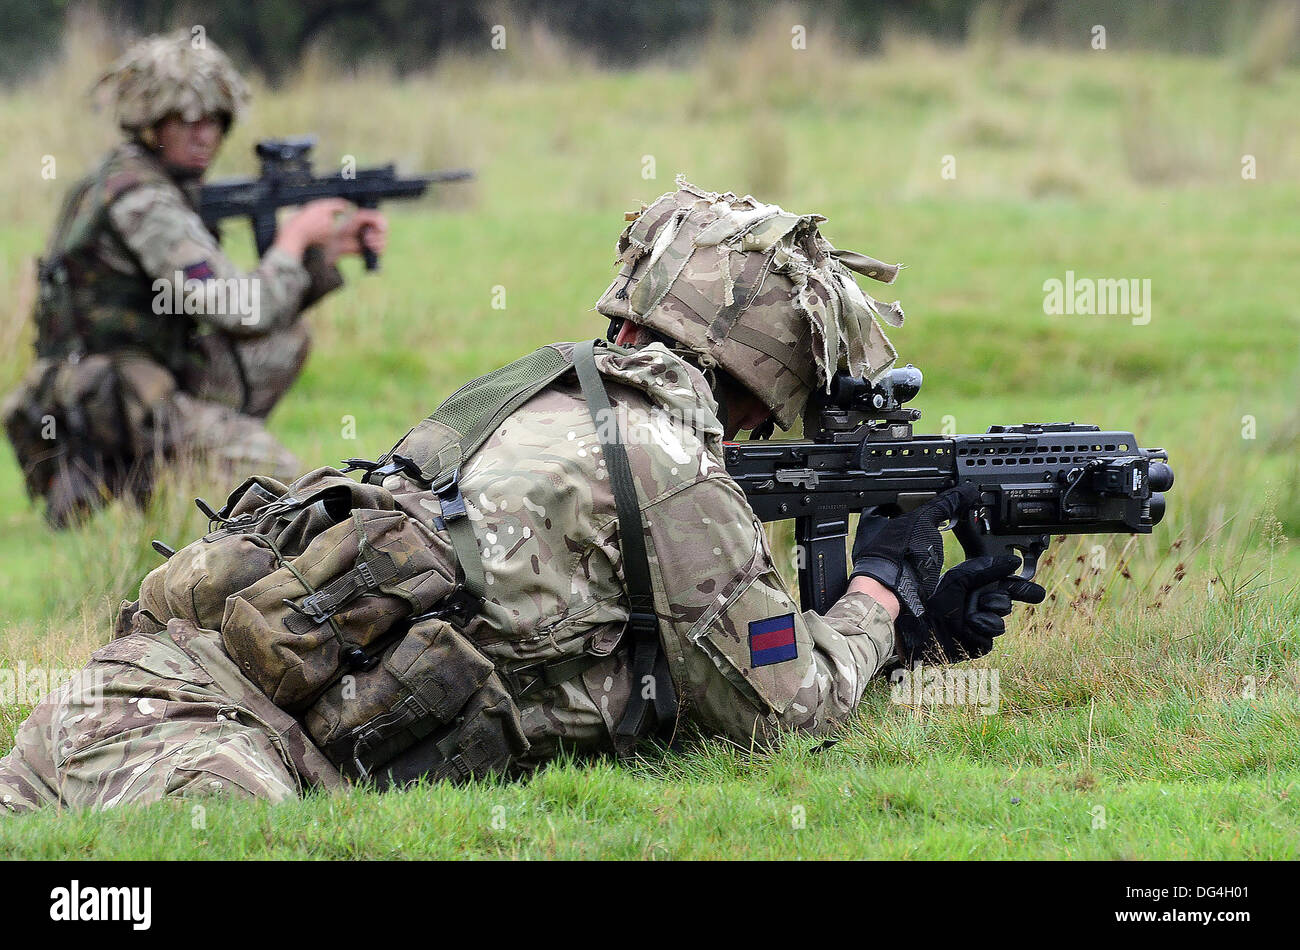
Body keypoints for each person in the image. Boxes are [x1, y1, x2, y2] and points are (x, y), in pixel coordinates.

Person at [0, 179, 1043, 814]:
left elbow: (682, 666)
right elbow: (786, 706)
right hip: (198, 757)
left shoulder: (537, 390)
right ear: (765, 362)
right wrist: (880, 594)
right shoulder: (664, 463)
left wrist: (913, 639)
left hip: (116, 702)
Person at [1, 30, 388, 527]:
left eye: (216, 120)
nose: (205, 134)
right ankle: (142, 472)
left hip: (136, 380)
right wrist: (292, 244)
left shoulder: (138, 180)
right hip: (113, 401)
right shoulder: (144, 201)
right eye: (187, 121)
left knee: (286, 340)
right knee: (284, 483)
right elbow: (239, 309)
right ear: (148, 120)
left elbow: (245, 314)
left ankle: (167, 473)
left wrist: (324, 254)